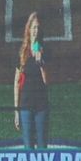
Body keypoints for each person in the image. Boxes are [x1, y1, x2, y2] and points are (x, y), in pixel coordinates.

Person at [13, 11, 50, 150]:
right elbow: (17, 83)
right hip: (25, 106)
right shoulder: (22, 52)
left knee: (42, 148)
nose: (35, 31)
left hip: (41, 106)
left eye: (38, 28)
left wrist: (41, 63)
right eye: (33, 27)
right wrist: (16, 111)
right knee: (28, 149)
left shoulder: (45, 50)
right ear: (28, 29)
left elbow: (46, 82)